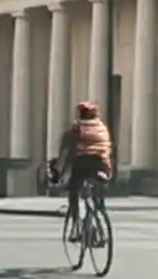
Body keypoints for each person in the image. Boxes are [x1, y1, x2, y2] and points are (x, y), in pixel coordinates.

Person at [48, 100, 112, 242]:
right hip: (102, 165)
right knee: (97, 196)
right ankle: (100, 226)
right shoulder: (102, 127)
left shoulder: (76, 129)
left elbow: (67, 153)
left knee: (74, 193)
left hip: (83, 165)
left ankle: (77, 228)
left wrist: (58, 173)